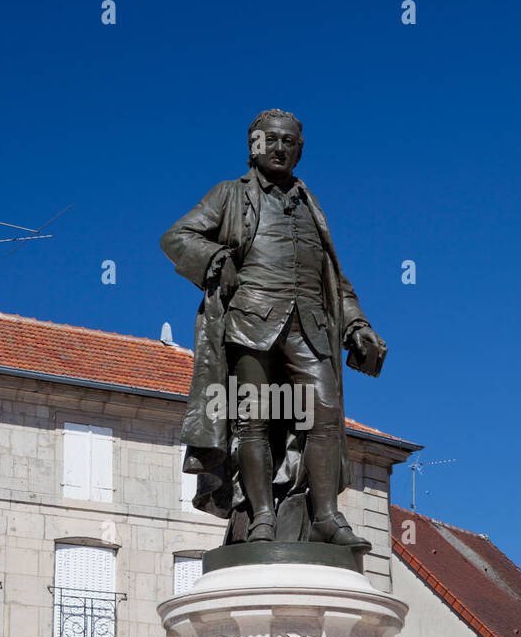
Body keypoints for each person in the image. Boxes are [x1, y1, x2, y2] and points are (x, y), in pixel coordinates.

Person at [160, 109, 387, 548]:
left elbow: (333, 280)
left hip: (311, 327)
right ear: (254, 146)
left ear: (300, 150)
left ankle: (325, 516)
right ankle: (262, 517)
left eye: (289, 142)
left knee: (325, 414)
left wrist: (356, 324)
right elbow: (176, 236)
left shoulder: (308, 205)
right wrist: (213, 260)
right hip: (250, 324)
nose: (280, 148)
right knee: (254, 422)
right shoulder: (229, 195)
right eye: (272, 140)